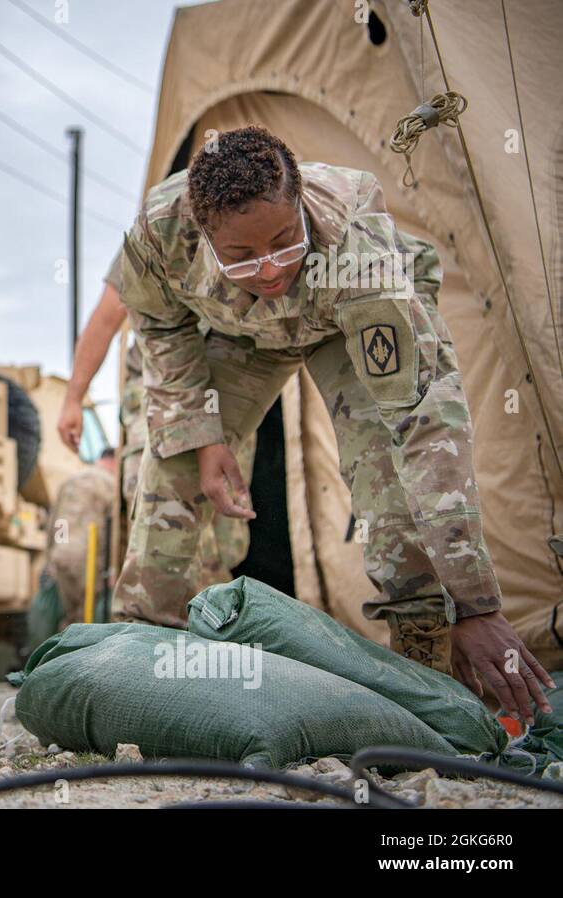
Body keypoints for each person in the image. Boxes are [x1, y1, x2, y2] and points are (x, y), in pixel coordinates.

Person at [115, 125, 553, 723]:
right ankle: (139, 663)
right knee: (172, 465)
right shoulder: (160, 233)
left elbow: (422, 428)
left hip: (341, 324)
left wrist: (475, 604)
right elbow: (159, 323)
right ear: (203, 233)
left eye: (284, 241)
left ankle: (429, 682)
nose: (270, 271)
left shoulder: (358, 250)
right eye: (241, 256)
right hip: (245, 335)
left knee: (388, 485)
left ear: (300, 207)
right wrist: (205, 433)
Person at [56, 252, 254, 599]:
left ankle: (210, 629)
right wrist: (74, 397)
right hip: (161, 393)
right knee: (159, 518)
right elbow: (106, 317)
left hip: (227, 388)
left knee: (222, 531)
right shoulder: (164, 226)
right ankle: (159, 631)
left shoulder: (249, 215)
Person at [46, 449, 118, 628]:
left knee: (69, 618)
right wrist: (116, 567)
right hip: (89, 559)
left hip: (62, 554)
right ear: (114, 462)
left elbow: (54, 521)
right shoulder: (110, 484)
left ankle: (60, 652)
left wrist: (50, 556)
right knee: (86, 622)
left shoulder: (70, 481)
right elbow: (116, 530)